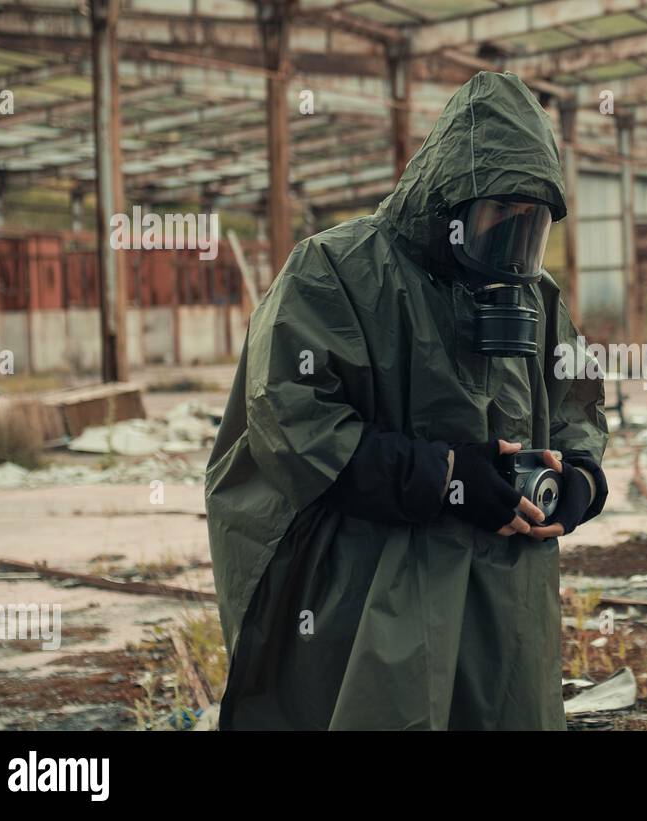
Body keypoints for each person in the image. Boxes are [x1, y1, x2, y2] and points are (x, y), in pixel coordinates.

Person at [204, 71, 609, 730]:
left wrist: (583, 478)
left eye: (529, 226)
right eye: (496, 222)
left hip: (503, 597)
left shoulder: (534, 296)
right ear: (450, 204)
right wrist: (446, 475)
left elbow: (576, 405)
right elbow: (289, 422)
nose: (511, 250)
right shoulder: (333, 272)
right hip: (376, 595)